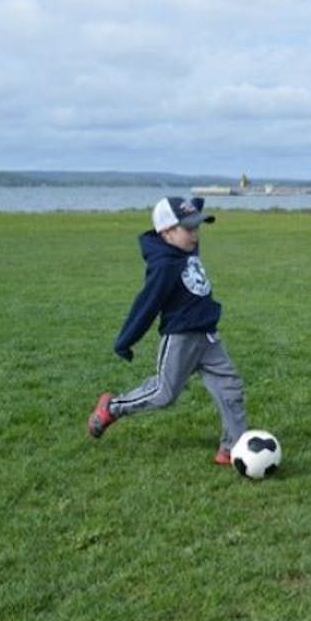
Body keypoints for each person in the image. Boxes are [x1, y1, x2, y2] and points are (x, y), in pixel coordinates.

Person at [87, 197, 247, 465]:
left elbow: (190, 226)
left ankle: (233, 448)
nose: (195, 235)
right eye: (189, 229)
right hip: (181, 338)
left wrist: (194, 207)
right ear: (166, 232)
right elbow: (146, 305)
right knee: (164, 393)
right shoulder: (164, 265)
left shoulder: (186, 249)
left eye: (197, 228)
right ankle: (112, 407)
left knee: (231, 387)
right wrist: (125, 341)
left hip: (208, 337)